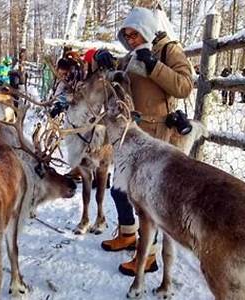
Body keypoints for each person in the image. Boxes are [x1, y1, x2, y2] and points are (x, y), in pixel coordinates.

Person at [94, 6, 193, 276]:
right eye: (127, 35)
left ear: (146, 30)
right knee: (119, 189)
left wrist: (154, 65)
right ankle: (128, 233)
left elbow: (185, 86)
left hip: (157, 133)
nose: (131, 39)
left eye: (135, 34)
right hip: (130, 133)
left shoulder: (166, 50)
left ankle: (147, 256)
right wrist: (107, 62)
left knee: (146, 199)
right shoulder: (132, 54)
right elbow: (123, 77)